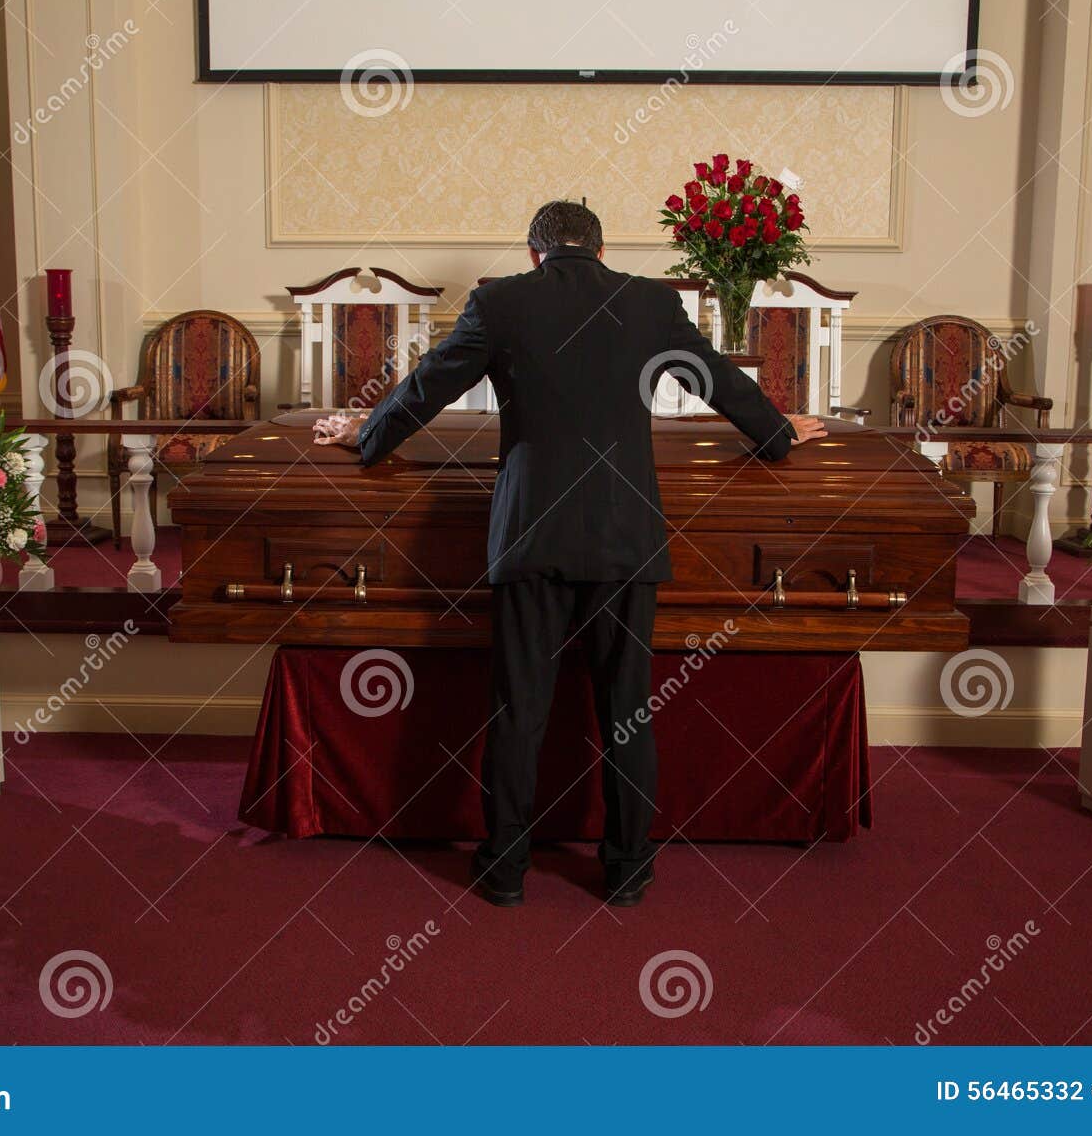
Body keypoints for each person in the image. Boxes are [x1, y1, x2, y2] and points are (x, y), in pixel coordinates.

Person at [315, 201, 826, 908]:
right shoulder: (650, 302)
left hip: (533, 531)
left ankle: (504, 870)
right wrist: (776, 433)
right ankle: (627, 870)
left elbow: (429, 385)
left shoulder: (499, 303)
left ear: (534, 254)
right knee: (627, 708)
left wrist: (366, 436)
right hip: (625, 534)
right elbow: (714, 377)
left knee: (519, 707)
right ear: (602, 249)